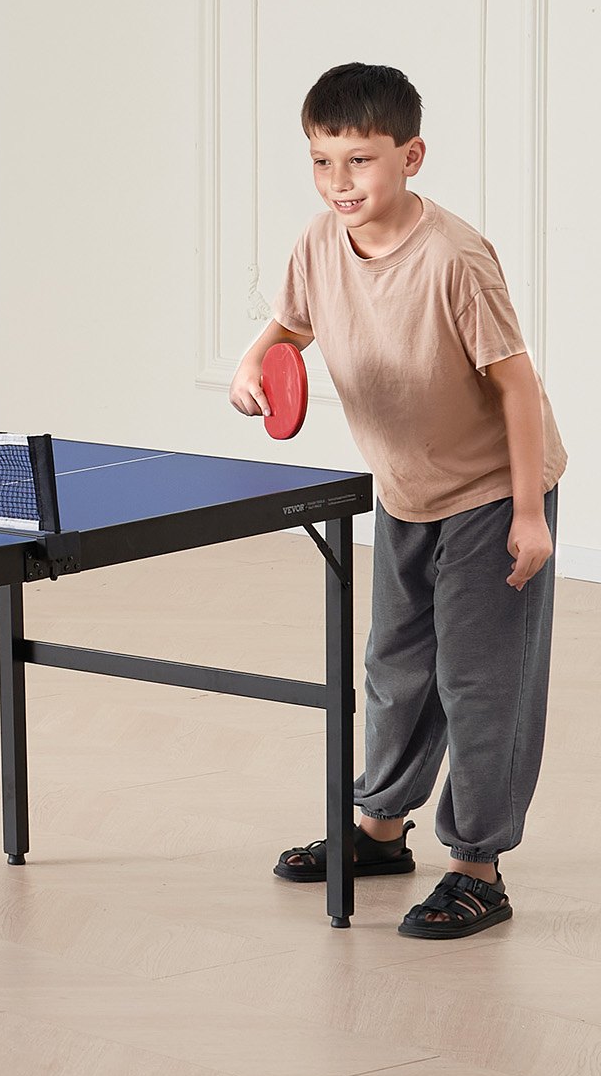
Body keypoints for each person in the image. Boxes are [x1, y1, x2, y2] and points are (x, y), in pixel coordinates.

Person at [230, 61, 564, 939]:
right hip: (407, 490)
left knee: (481, 682)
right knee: (396, 666)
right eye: (321, 161)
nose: (340, 182)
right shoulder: (317, 241)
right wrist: (252, 359)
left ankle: (478, 866)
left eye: (361, 160)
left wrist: (529, 514)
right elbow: (294, 321)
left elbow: (518, 386)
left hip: (493, 492)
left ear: (411, 156)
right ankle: (379, 827)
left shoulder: (455, 259)